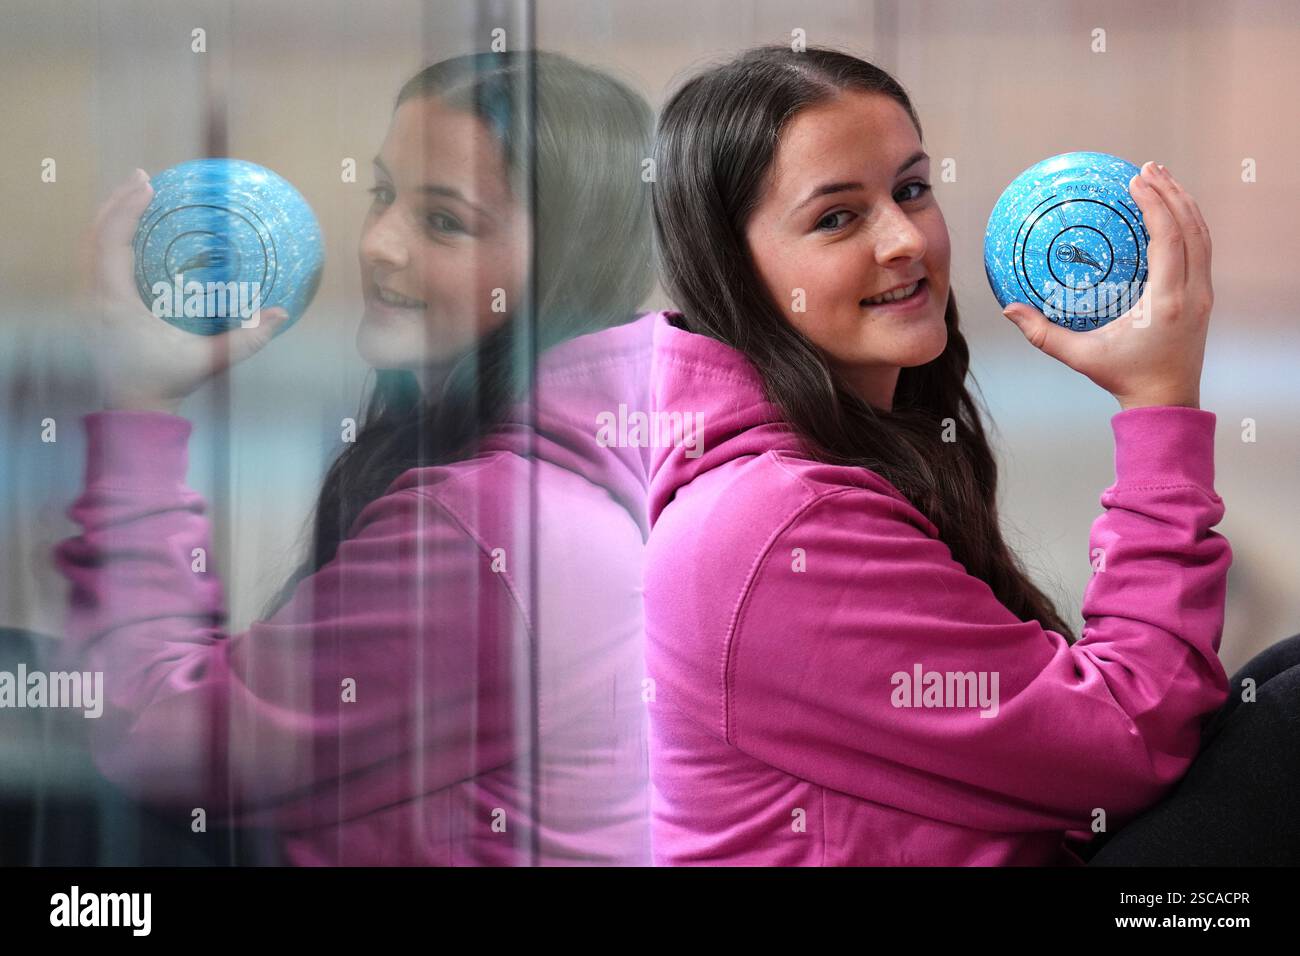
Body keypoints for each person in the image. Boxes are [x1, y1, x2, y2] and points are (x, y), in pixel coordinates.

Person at [641, 43, 1294, 865]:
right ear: (731, 268)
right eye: (838, 217)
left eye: (911, 190)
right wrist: (1159, 408)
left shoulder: (831, 468)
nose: (905, 239)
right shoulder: (773, 530)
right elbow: (1125, 745)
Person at [53, 50, 658, 865]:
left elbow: (158, 740)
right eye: (383, 195)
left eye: (443, 220)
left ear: (563, 266)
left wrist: (138, 406)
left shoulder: (490, 530)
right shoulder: (589, 471)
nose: (379, 245)